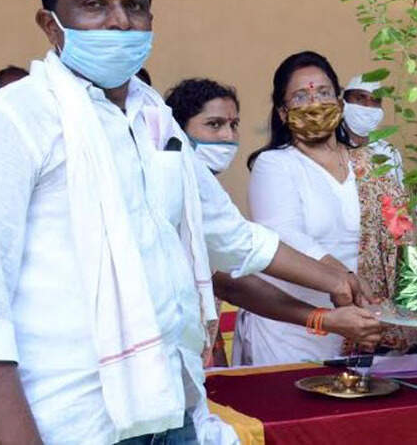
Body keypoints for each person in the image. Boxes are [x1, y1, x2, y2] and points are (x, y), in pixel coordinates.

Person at [0, 0, 371, 444]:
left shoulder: (156, 121)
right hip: (74, 422)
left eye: (134, 6)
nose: (119, 21)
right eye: (94, 5)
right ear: (50, 24)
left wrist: (334, 278)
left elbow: (232, 236)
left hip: (174, 407)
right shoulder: (15, 119)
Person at [164, 77, 383, 367]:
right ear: (177, 130)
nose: (228, 136)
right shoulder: (173, 183)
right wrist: (337, 280)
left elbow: (231, 281)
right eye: (214, 124)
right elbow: (242, 257)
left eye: (233, 124)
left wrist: (327, 313)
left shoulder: (203, 189)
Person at [242, 51, 417, 365]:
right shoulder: (275, 164)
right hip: (298, 331)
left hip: (367, 327)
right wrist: (350, 281)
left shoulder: (372, 163)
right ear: (283, 112)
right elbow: (285, 236)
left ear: (339, 104)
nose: (315, 103)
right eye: (301, 96)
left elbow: (401, 230)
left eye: (324, 92)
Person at [341, 74, 404, 183]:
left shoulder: (389, 152)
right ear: (343, 104)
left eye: (375, 100)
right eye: (360, 98)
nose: (368, 105)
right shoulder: (332, 149)